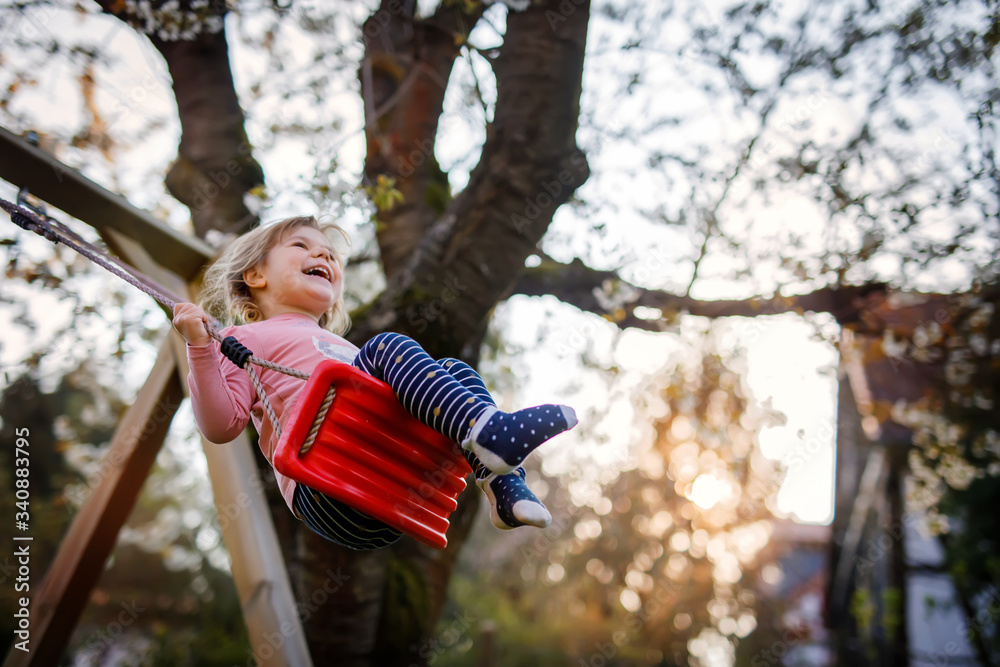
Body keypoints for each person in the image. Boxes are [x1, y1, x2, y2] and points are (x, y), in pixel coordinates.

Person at [172, 215, 577, 550]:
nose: (321, 255)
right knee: (386, 346)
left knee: (455, 369)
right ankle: (490, 434)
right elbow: (221, 426)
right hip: (327, 487)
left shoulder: (343, 347)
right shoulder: (244, 340)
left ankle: (502, 485)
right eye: (301, 246)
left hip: (393, 488)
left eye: (329, 254)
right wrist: (199, 347)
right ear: (256, 275)